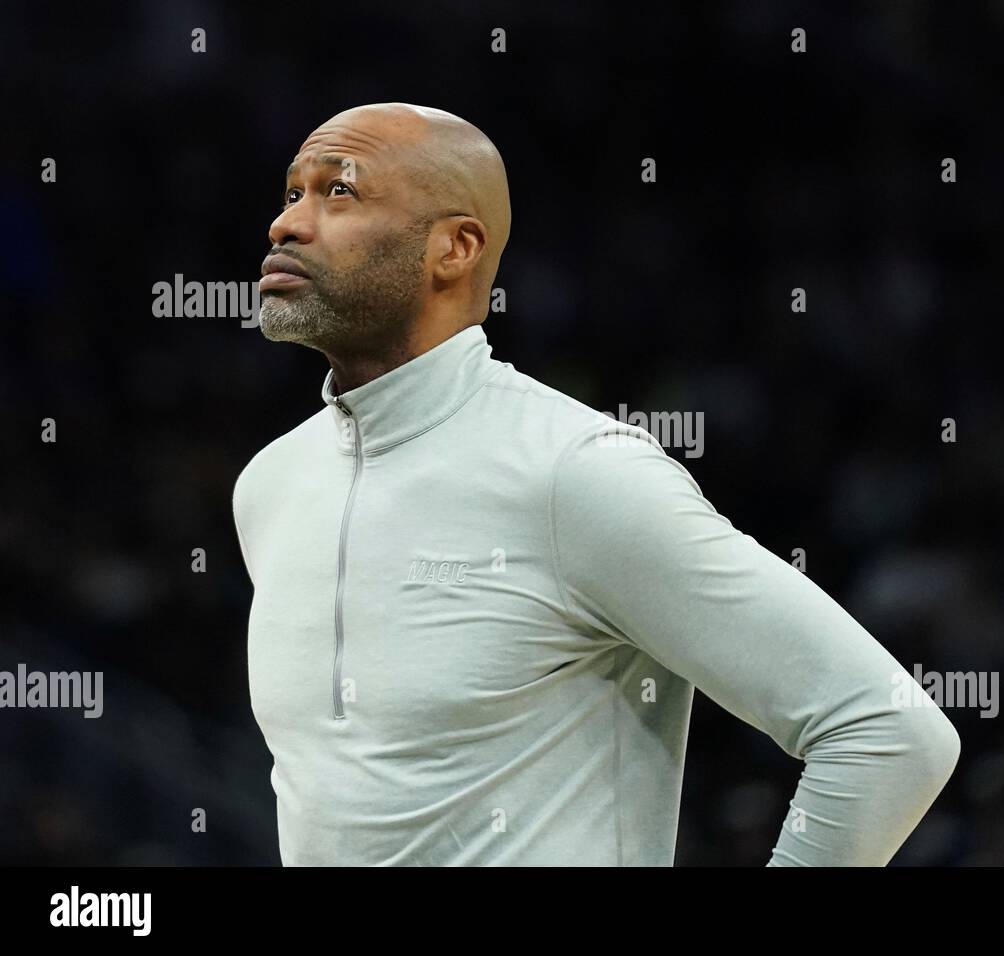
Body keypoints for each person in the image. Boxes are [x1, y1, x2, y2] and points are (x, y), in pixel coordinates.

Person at [234, 102, 960, 865]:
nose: (288, 224)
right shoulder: (271, 486)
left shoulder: (576, 472)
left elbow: (889, 730)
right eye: (291, 195)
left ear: (453, 248)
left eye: (338, 193)